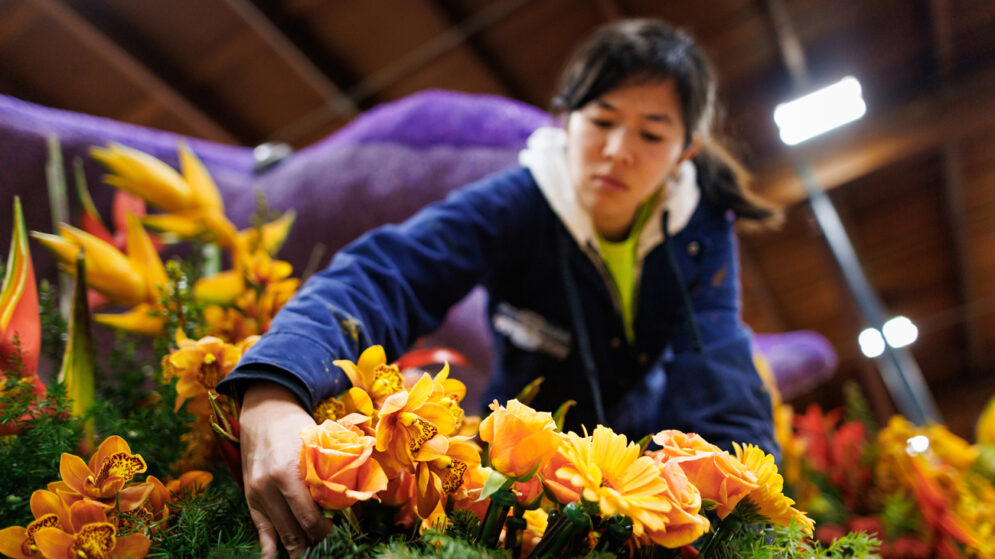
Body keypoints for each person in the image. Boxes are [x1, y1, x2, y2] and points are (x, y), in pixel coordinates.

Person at [217, 18, 781, 557]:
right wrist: (276, 385)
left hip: (638, 467)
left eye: (652, 133)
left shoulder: (701, 235)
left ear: (686, 151)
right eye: (602, 121)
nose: (618, 151)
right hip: (520, 473)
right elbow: (389, 273)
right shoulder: (518, 202)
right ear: (567, 119)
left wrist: (746, 519)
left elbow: (718, 366)